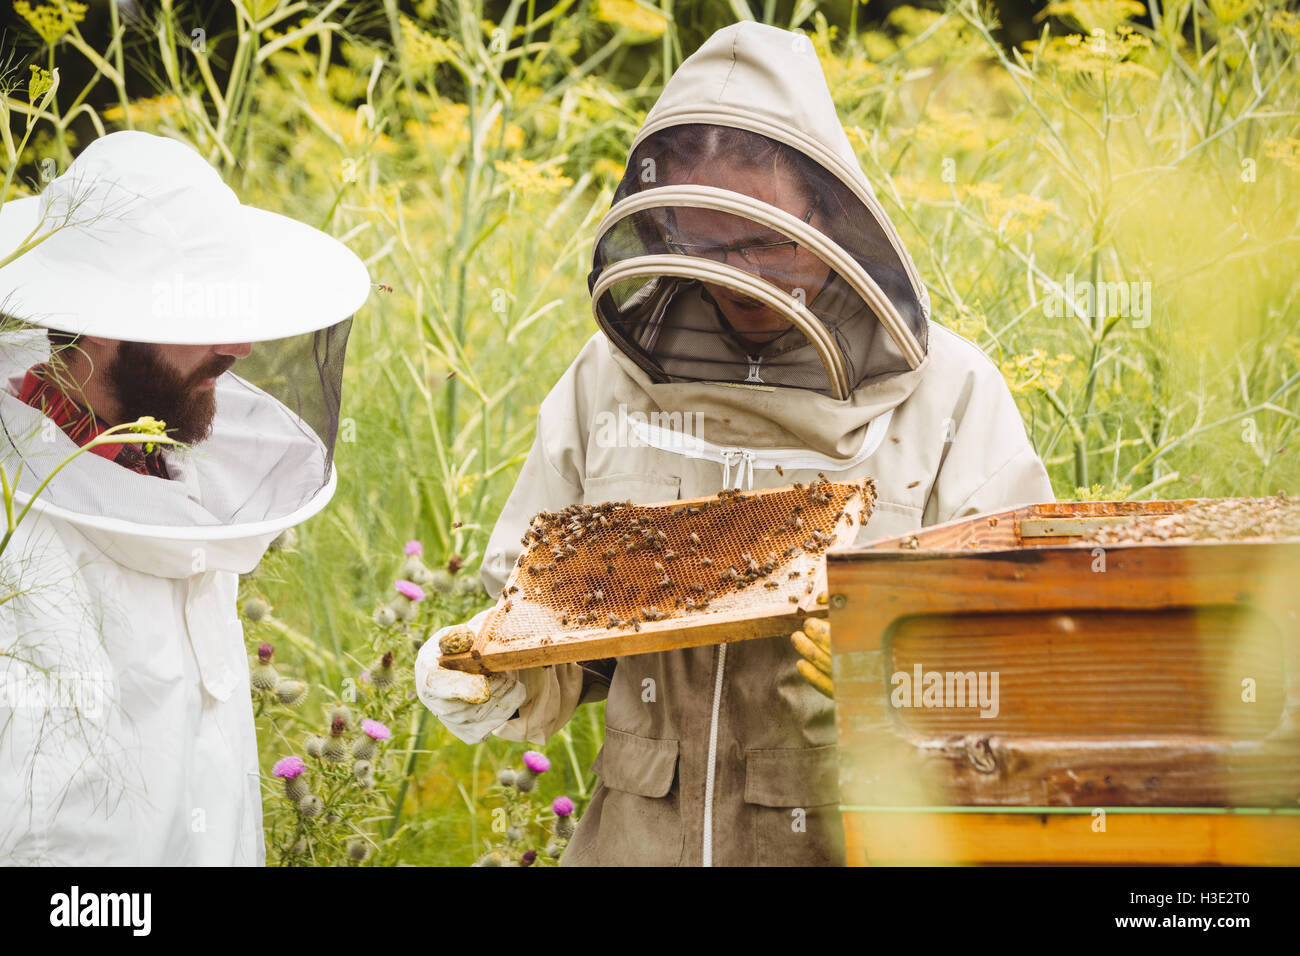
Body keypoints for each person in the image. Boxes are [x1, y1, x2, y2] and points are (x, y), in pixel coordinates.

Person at [416, 21, 1054, 866]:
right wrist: (493, 669)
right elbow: (548, 630)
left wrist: (898, 676)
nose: (741, 275)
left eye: (767, 240)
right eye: (706, 243)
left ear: (827, 212)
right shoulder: (607, 381)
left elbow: (1025, 655)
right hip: (635, 842)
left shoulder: (950, 396)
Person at [0, 131, 368, 864]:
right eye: (202, 312)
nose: (241, 350)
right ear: (104, 319)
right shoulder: (19, 534)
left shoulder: (163, 469)